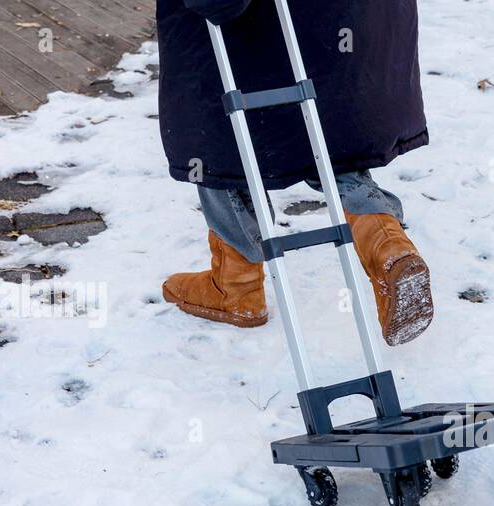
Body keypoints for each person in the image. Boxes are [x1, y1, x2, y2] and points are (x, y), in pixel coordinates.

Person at [155, 0, 434, 344]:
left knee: (219, 134)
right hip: (360, 24)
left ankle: (236, 285)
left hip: (262, 30)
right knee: (330, 136)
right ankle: (387, 246)